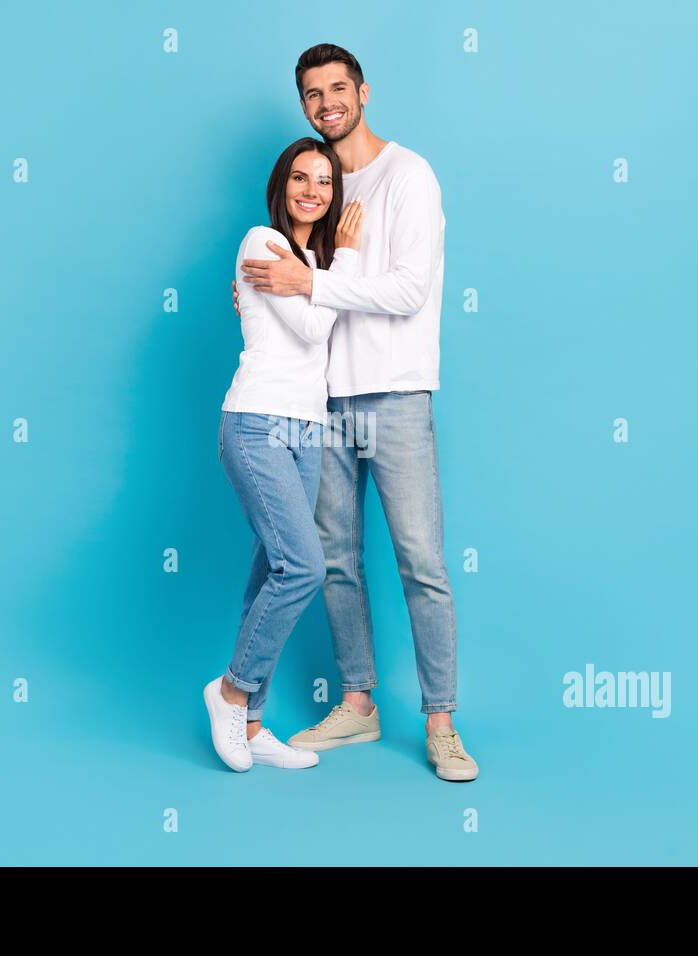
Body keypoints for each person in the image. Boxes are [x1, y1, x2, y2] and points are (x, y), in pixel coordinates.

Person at [238, 44, 479, 782]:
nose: (325, 104)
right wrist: (293, 286)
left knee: (421, 560)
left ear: (363, 93)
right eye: (312, 95)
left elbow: (407, 290)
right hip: (320, 405)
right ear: (304, 106)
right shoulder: (321, 185)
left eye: (337, 90)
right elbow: (298, 294)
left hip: (397, 390)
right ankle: (358, 703)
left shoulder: (409, 174)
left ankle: (440, 722)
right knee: (334, 558)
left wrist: (311, 285)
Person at [204, 137, 365, 772]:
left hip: (307, 429)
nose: (313, 191)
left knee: (269, 570)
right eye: (301, 178)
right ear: (283, 185)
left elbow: (315, 322)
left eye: (325, 182)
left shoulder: (306, 263)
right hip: (256, 422)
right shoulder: (259, 242)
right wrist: (341, 266)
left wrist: (317, 279)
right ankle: (229, 692)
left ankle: (251, 723)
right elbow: (312, 328)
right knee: (302, 567)